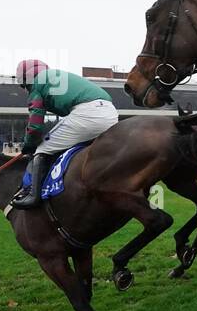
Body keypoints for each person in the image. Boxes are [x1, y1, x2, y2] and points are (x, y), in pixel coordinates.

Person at [11, 59, 119, 208]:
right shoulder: (58, 76)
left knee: (42, 149)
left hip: (87, 114)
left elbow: (35, 127)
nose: (26, 90)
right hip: (110, 113)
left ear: (26, 79)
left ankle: (33, 195)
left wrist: (28, 145)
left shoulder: (36, 84)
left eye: (24, 86)